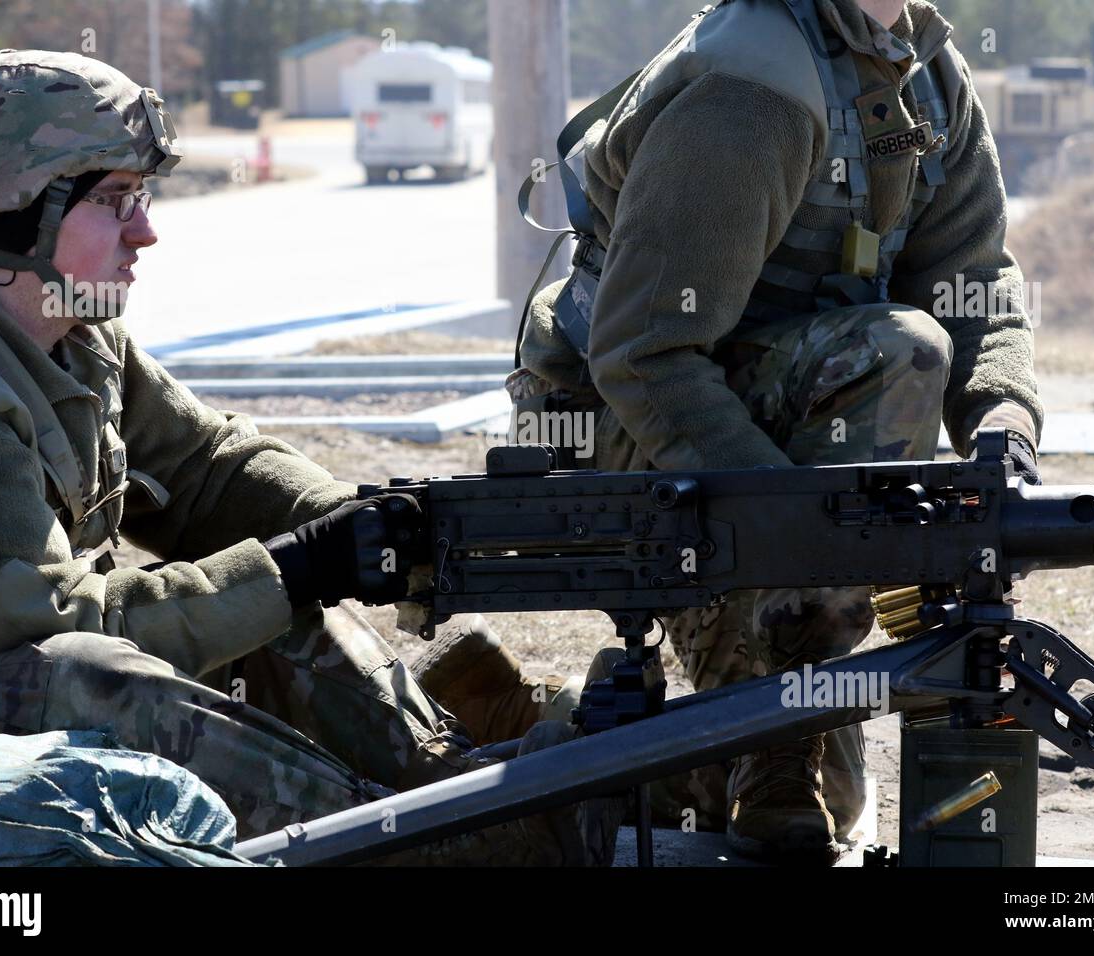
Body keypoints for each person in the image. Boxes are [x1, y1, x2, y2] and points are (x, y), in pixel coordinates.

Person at [0, 50, 617, 866]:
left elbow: (210, 471)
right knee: (97, 667)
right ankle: (416, 843)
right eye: (114, 201)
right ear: (15, 214)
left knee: (256, 589)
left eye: (143, 197)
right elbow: (47, 627)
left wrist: (376, 527)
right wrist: (294, 568)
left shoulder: (74, 337)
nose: (146, 231)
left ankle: (445, 782)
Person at [445, 0, 1045, 865]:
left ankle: (541, 719)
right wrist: (796, 538)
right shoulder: (754, 86)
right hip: (631, 422)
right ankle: (752, 732)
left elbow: (977, 287)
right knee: (901, 354)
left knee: (829, 803)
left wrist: (1002, 431)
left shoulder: (925, 70)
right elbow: (646, 352)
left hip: (767, 409)